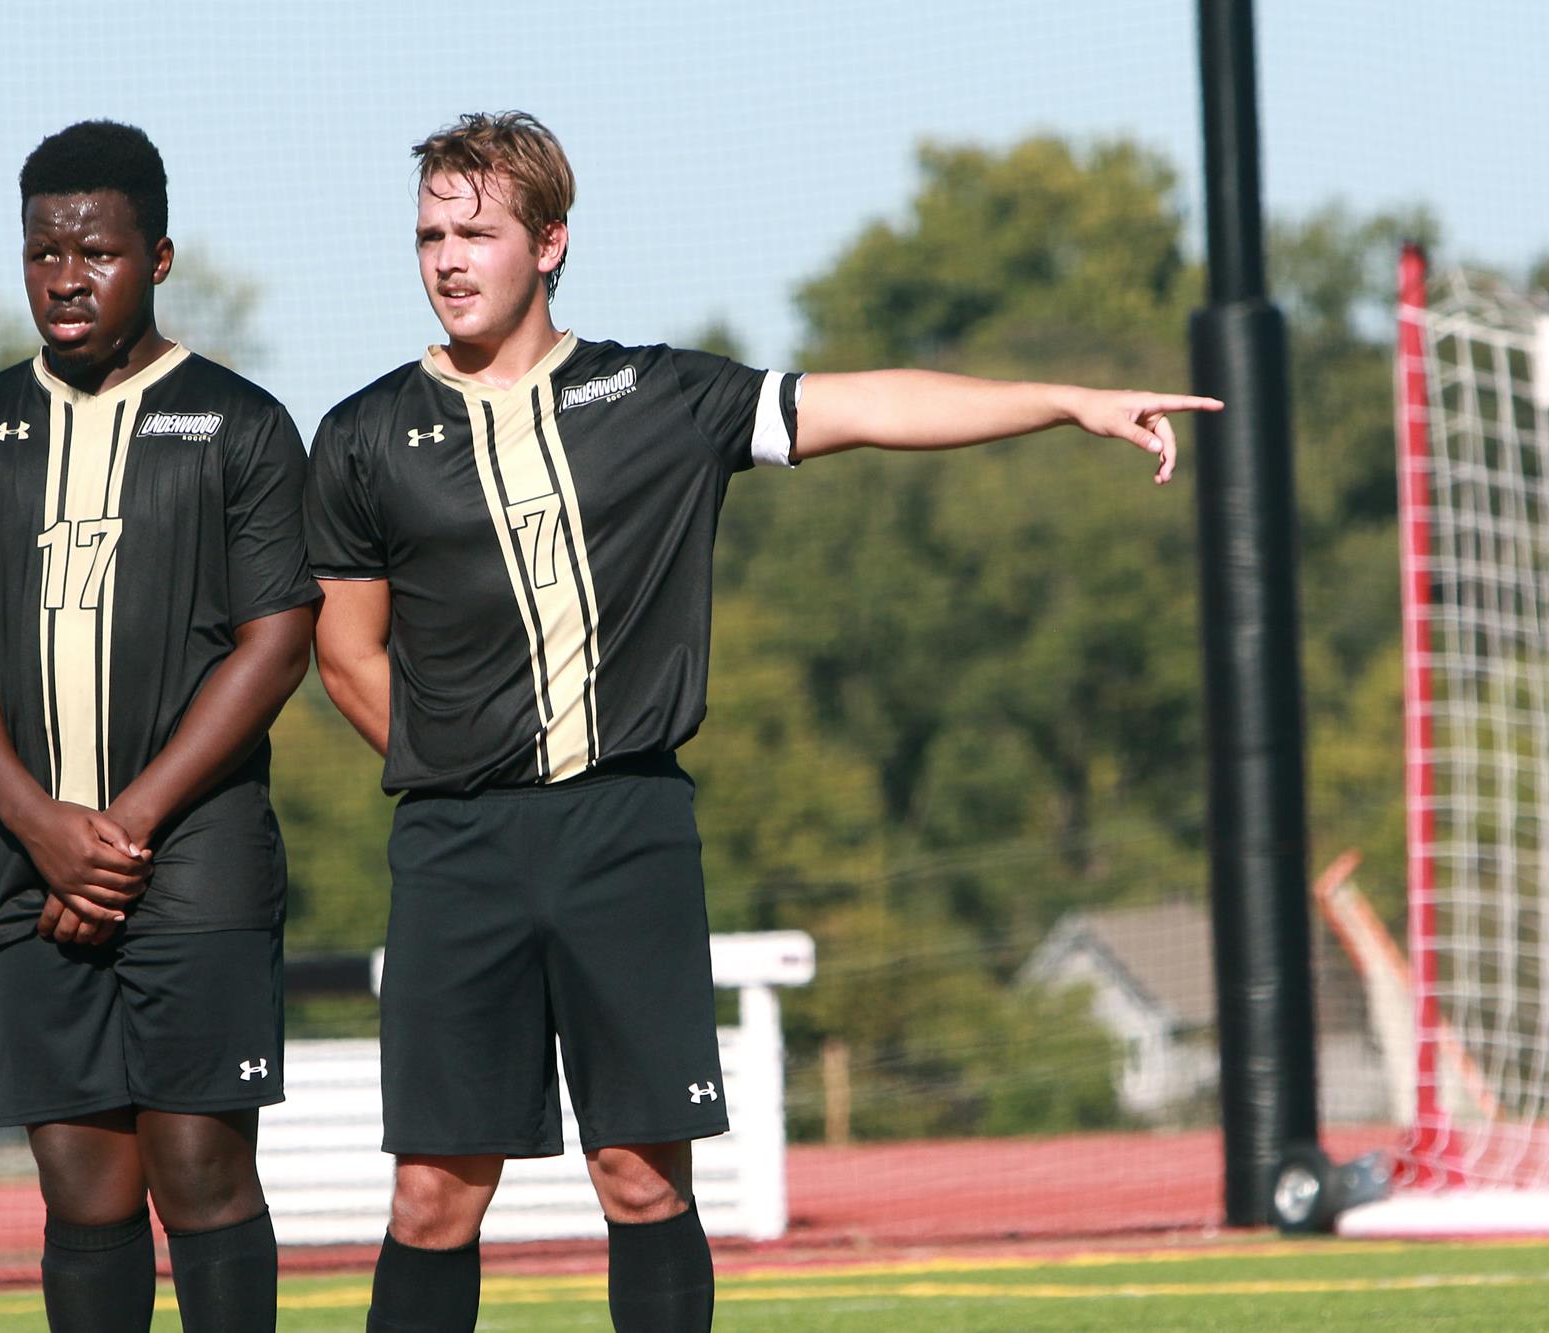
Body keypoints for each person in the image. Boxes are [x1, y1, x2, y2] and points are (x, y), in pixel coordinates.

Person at [303, 111, 1221, 1332]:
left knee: (639, 1176)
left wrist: (1064, 401)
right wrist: (465, 771)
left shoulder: (659, 395)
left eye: (476, 232)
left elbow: (869, 404)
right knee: (432, 1196)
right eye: (430, 235)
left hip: (625, 830)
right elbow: (345, 652)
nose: (447, 259)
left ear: (550, 242)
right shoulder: (362, 434)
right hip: (453, 844)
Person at [0, 119, 319, 1333]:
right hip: (30, 859)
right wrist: (42, 827)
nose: (66, 278)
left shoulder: (238, 423)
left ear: (158, 258)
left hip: (195, 855)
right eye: (43, 253)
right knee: (82, 1184)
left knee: (198, 1165)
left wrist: (117, 832)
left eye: (97, 253)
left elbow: (276, 643)